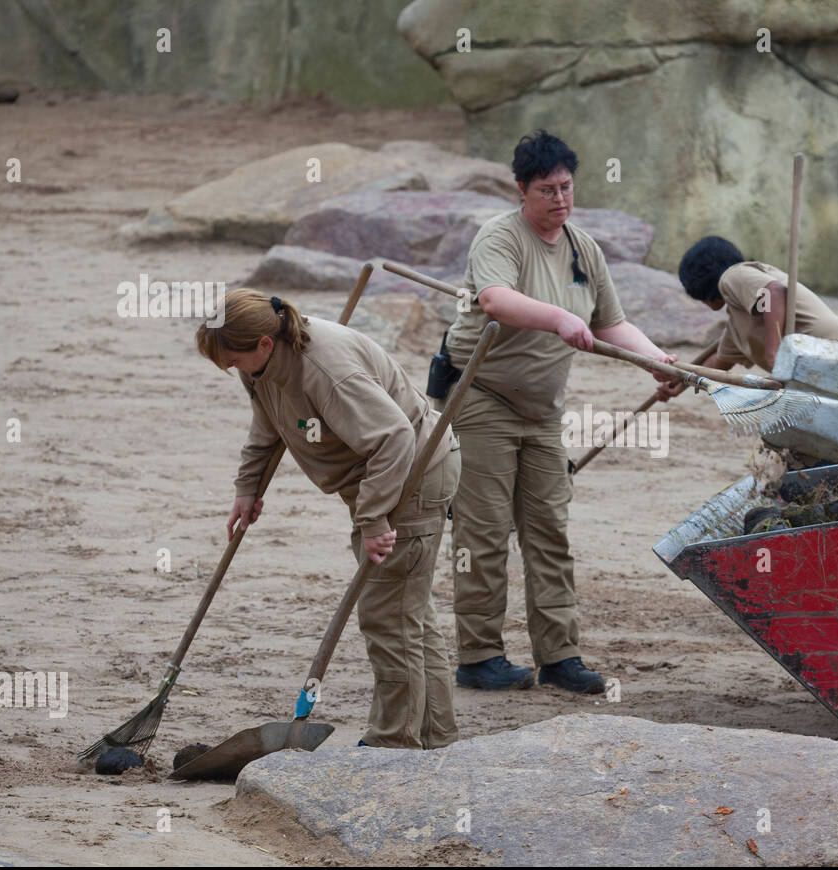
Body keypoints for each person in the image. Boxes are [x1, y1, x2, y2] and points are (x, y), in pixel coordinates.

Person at [442, 129, 676, 694]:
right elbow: (495, 299)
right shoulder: (498, 238)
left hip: (543, 411)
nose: (560, 199)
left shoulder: (582, 248)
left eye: (567, 187)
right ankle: (479, 655)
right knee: (484, 532)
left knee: (550, 529)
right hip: (480, 397)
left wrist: (656, 362)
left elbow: (610, 322)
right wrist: (556, 318)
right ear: (521, 189)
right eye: (547, 189)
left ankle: (560, 654)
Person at [195, 289, 461, 748]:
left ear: (263, 343)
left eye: (234, 359)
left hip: (411, 476)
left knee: (387, 616)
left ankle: (393, 745)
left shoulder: (325, 370)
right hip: (378, 480)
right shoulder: (263, 363)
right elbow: (268, 423)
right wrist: (248, 488)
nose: (231, 369)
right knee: (406, 611)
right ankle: (435, 736)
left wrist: (375, 519)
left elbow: (394, 437)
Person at [668, 235, 838, 392]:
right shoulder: (739, 322)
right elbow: (717, 365)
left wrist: (774, 354)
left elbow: (773, 292)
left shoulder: (732, 276)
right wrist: (677, 384)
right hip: (833, 373)